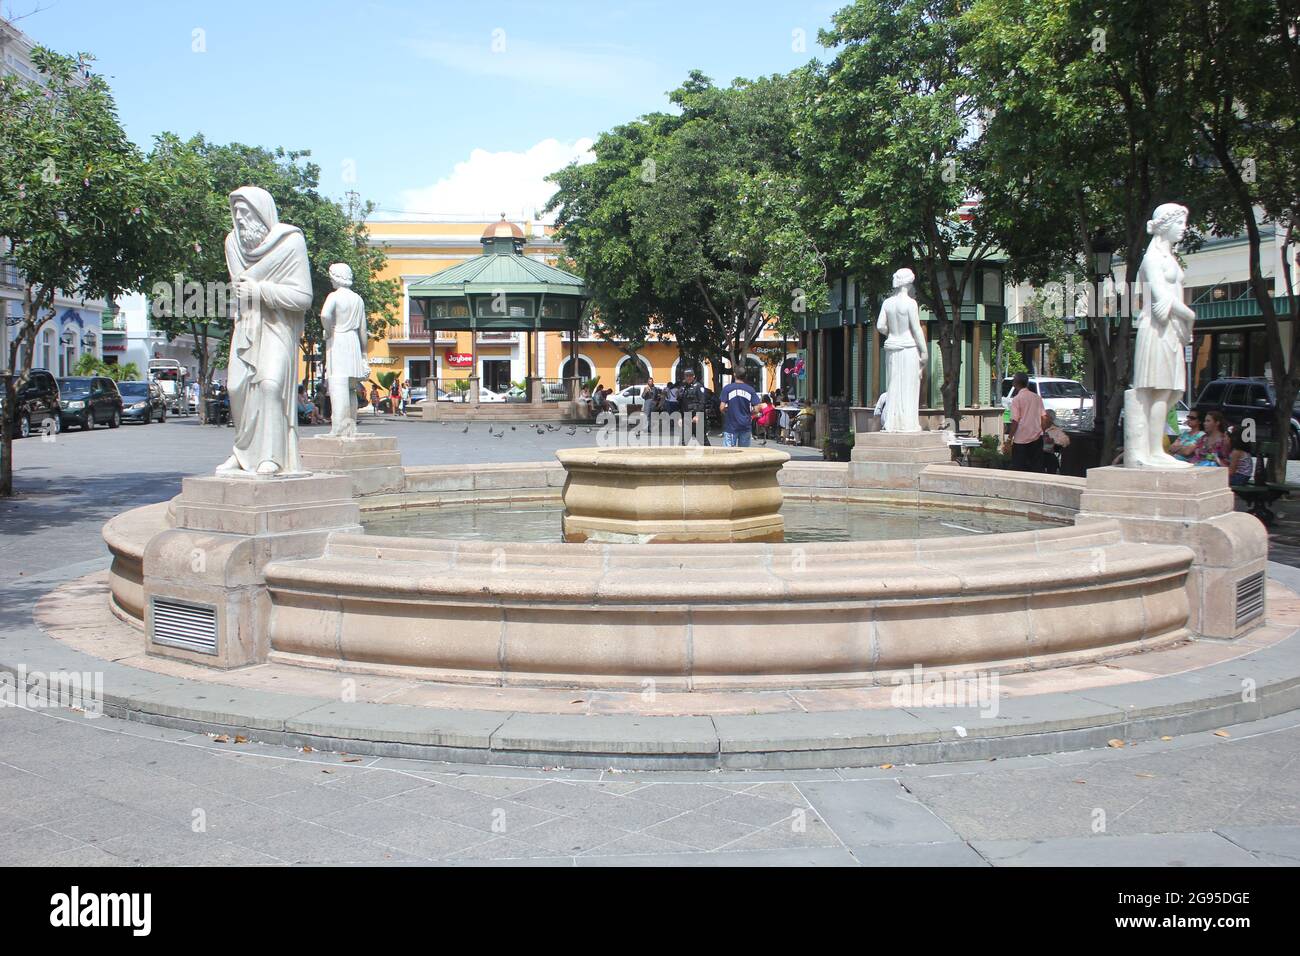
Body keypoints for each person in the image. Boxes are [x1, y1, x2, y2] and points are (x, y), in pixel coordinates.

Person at [216, 186, 312, 476]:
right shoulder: (233, 243)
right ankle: (243, 453)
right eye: (236, 213)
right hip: (247, 325)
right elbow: (238, 287)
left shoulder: (291, 242)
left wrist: (260, 290)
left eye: (246, 212)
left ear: (261, 212)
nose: (240, 219)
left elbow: (303, 297)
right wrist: (246, 291)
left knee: (270, 385)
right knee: (236, 386)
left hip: (277, 325)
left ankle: (272, 455)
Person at [321, 262, 370, 436]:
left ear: (336, 277)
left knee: (338, 384)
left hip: (339, 338)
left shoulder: (334, 296)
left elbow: (325, 314)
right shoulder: (358, 299)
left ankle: (338, 428)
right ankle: (350, 427)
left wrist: (328, 331)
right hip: (354, 342)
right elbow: (363, 330)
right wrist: (364, 353)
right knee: (351, 386)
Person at [1008, 372, 1046, 472]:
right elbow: (1044, 417)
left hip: (1021, 439)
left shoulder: (1017, 399)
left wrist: (1009, 438)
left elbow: (1015, 421)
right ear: (1027, 383)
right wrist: (1043, 432)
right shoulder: (1037, 398)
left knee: (1019, 468)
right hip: (1037, 437)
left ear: (1015, 383)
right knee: (1036, 468)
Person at [719, 370, 759, 447]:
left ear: (734, 375)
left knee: (728, 453)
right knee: (744, 453)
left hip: (731, 426)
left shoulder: (727, 388)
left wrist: (727, 412)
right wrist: (749, 414)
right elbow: (757, 409)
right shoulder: (750, 390)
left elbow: (722, 407)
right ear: (745, 376)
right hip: (745, 425)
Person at [678, 367, 711, 445]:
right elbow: (681, 404)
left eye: (690, 376)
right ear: (684, 377)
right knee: (682, 442)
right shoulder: (684, 388)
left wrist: (698, 416)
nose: (688, 377)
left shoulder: (698, 386)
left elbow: (702, 402)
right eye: (687, 376)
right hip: (687, 418)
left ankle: (711, 456)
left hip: (696, 419)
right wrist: (680, 417)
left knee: (703, 441)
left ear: (694, 376)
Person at [1041, 409, 1071, 474]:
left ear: (1051, 419)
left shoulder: (1055, 430)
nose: (1042, 418)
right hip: (1035, 452)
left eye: (1045, 416)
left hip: (1047, 454)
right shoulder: (1036, 427)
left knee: (1051, 460)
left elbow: (1066, 441)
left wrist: (1053, 441)